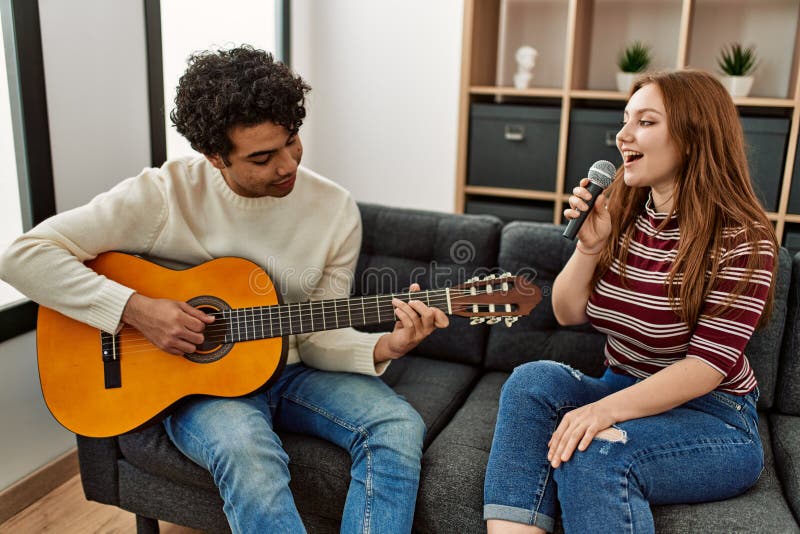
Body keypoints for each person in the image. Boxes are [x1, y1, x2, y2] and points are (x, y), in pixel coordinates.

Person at [0, 45, 449, 533]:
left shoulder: (335, 210)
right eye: (261, 157)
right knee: (244, 450)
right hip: (199, 386)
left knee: (397, 427)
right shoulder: (163, 195)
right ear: (215, 157)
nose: (288, 166)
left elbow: (318, 334)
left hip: (296, 372)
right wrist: (136, 309)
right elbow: (22, 256)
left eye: (292, 141)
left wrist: (386, 345)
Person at [483, 69, 778, 533]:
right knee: (531, 382)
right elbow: (567, 312)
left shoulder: (744, 238)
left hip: (711, 415)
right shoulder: (623, 211)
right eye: (625, 120)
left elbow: (706, 367)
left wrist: (602, 412)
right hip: (620, 385)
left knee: (598, 450)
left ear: (694, 136)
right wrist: (590, 246)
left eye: (645, 121)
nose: (623, 135)